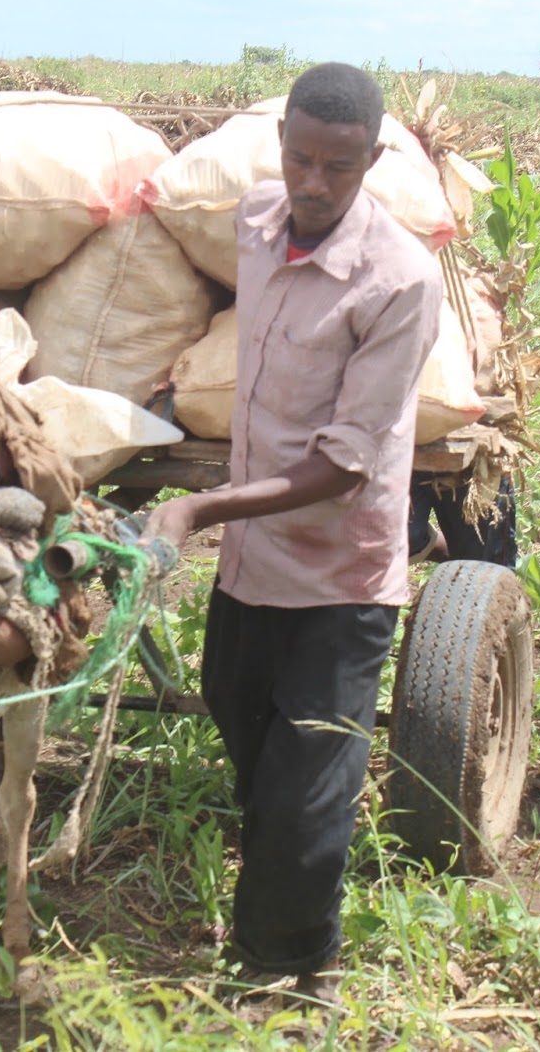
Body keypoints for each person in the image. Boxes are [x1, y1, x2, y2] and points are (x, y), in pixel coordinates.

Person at [141, 62, 443, 1002]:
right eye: (302, 160)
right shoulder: (255, 221)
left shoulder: (399, 281)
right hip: (251, 560)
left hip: (338, 570)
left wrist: (193, 507)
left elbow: (343, 465)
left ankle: (291, 968)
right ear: (281, 147)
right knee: (240, 722)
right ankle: (284, 897)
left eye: (338, 168)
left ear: (373, 159)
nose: (314, 186)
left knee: (309, 783)